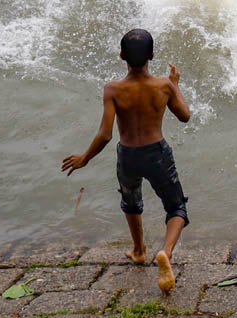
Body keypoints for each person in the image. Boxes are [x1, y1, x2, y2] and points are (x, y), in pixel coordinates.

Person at [61, 29, 191, 294]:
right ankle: (165, 252)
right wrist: (175, 85)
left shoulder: (113, 89)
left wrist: (85, 158)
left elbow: (105, 134)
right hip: (157, 153)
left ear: (121, 56)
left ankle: (139, 250)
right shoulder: (163, 86)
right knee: (176, 207)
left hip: (128, 155)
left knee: (131, 202)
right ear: (152, 55)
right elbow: (185, 116)